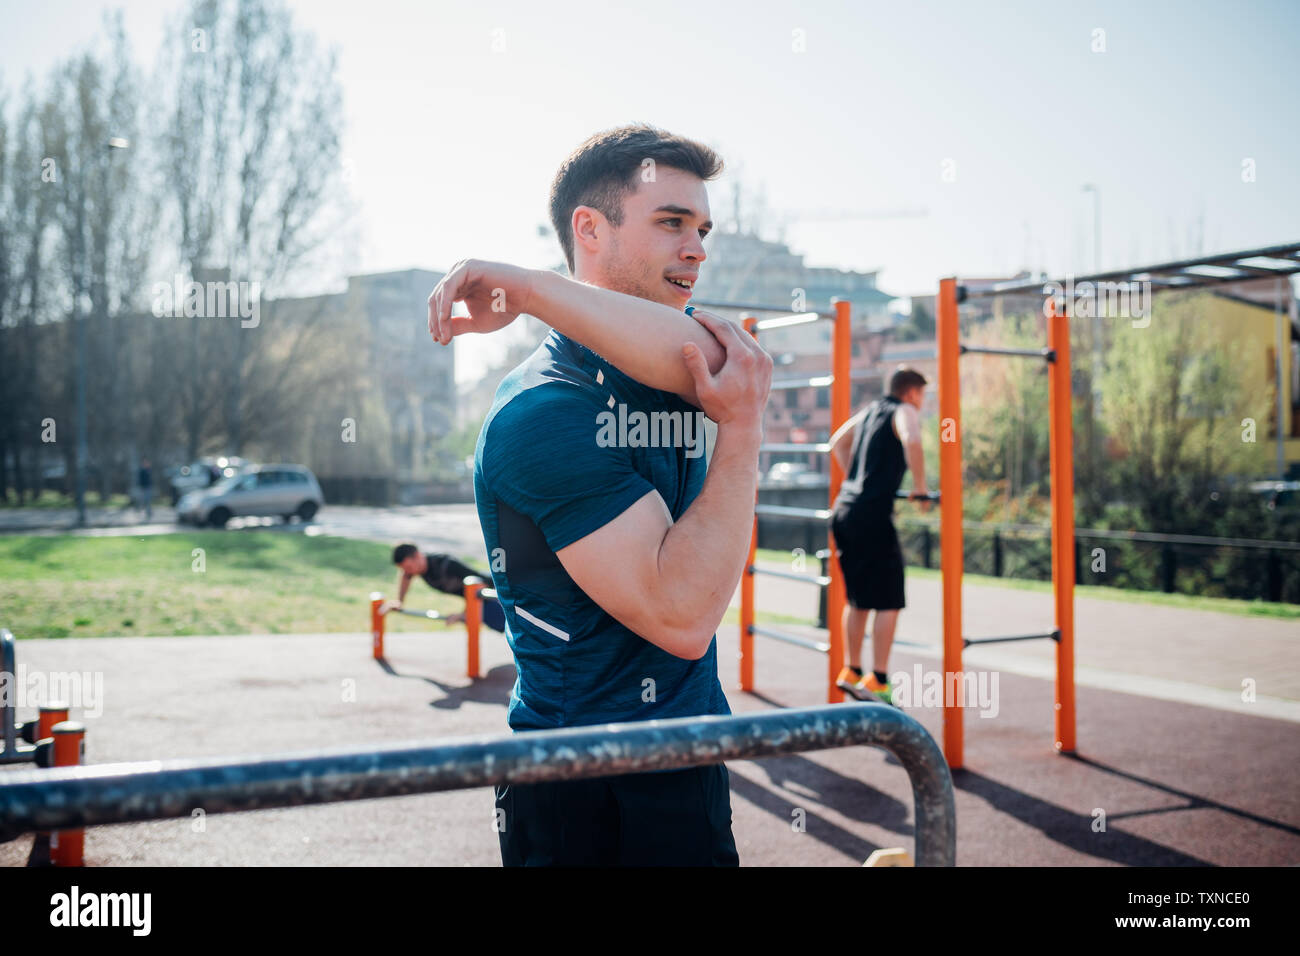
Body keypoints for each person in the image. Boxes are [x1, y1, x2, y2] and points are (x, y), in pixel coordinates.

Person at [427, 124, 772, 866]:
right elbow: (679, 616)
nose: (698, 249)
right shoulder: (543, 415)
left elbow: (726, 356)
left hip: (688, 763)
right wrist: (740, 431)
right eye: (671, 223)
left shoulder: (678, 368)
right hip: (583, 784)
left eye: (704, 228)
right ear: (590, 228)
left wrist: (528, 291)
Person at [828, 366, 933, 705]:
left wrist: (858, 481)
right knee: (889, 598)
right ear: (913, 393)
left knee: (858, 598)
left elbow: (836, 444)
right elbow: (913, 440)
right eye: (923, 398)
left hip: (845, 509)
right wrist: (920, 488)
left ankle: (852, 670)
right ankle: (880, 679)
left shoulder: (870, 410)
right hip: (871, 514)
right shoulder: (904, 411)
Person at [380, 544, 506, 633]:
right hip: (479, 599)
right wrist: (400, 601)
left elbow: (479, 584)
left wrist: (462, 614)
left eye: (408, 567)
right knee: (500, 626)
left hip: (495, 591)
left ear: (417, 556)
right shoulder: (416, 569)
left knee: (508, 626)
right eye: (404, 569)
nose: (407, 571)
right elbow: (405, 577)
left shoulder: (446, 564)